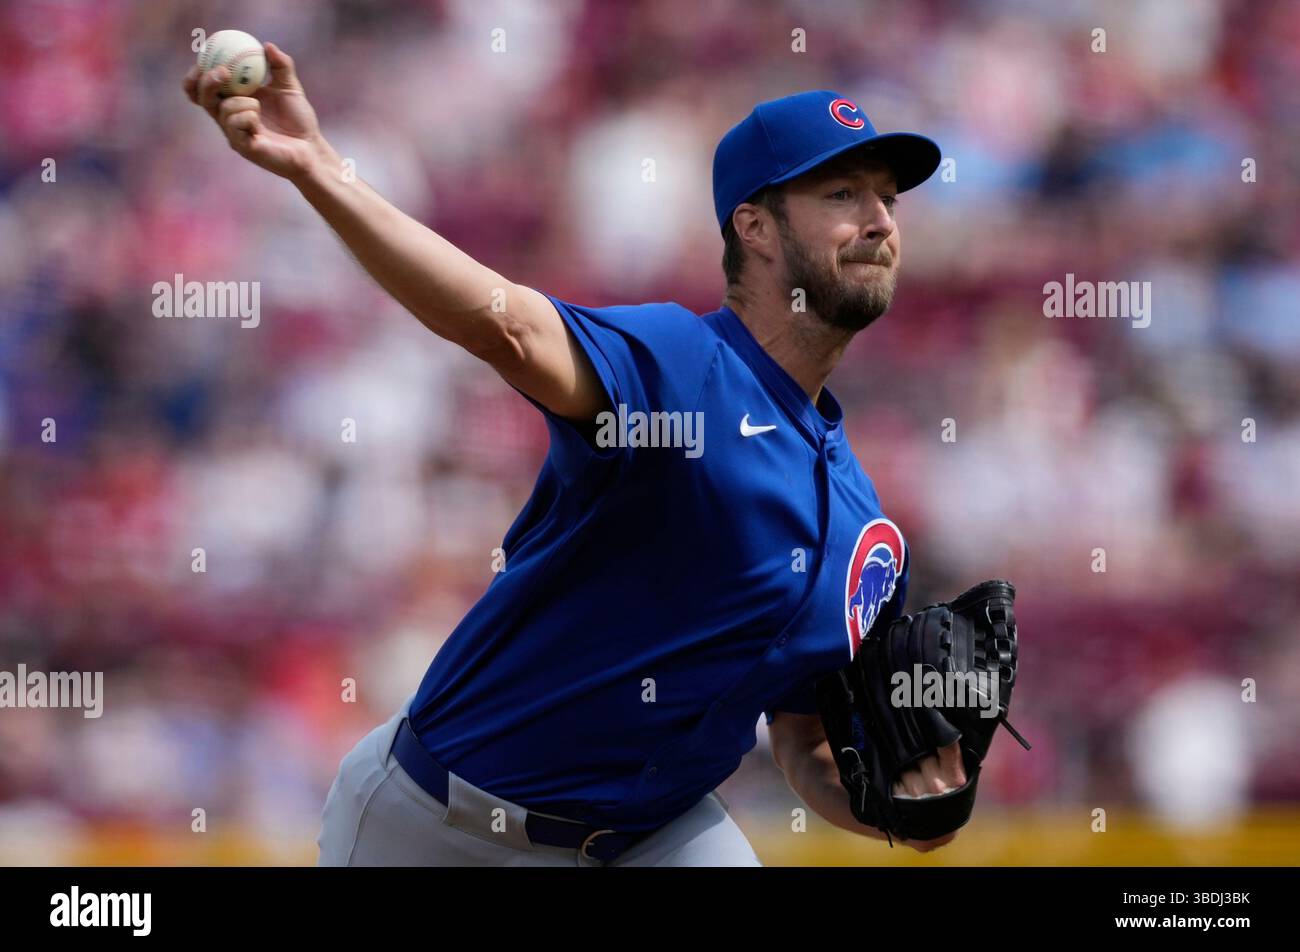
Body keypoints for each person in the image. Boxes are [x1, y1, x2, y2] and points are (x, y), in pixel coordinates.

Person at [183, 46, 966, 866]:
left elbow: (802, 736)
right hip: (444, 824)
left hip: (651, 836)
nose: (880, 219)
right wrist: (319, 170)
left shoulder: (861, 520)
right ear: (755, 226)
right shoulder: (679, 368)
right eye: (842, 193)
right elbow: (506, 326)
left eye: (887, 196)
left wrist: (897, 805)